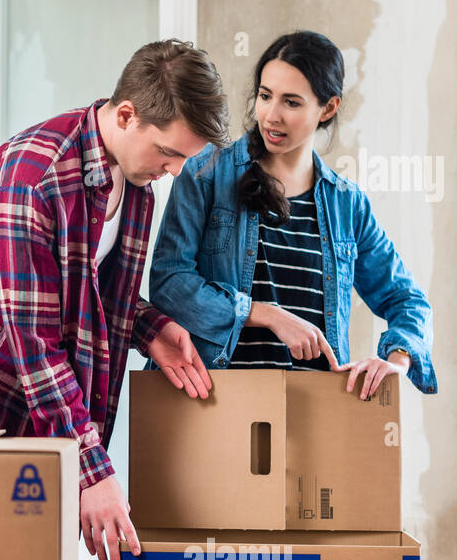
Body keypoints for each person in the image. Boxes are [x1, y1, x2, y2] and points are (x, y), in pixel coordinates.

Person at [0, 40, 230, 560]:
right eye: (169, 153)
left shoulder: (136, 186)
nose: (174, 171)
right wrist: (93, 469)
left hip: (38, 416)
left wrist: (149, 326)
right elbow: (32, 341)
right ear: (127, 115)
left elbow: (92, 294)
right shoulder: (33, 180)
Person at [147, 30, 436, 399]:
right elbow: (169, 283)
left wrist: (396, 361)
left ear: (328, 108)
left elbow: (407, 300)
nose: (271, 115)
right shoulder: (206, 174)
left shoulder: (347, 204)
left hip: (314, 414)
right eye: (265, 96)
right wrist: (264, 314)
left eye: (292, 103)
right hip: (212, 405)